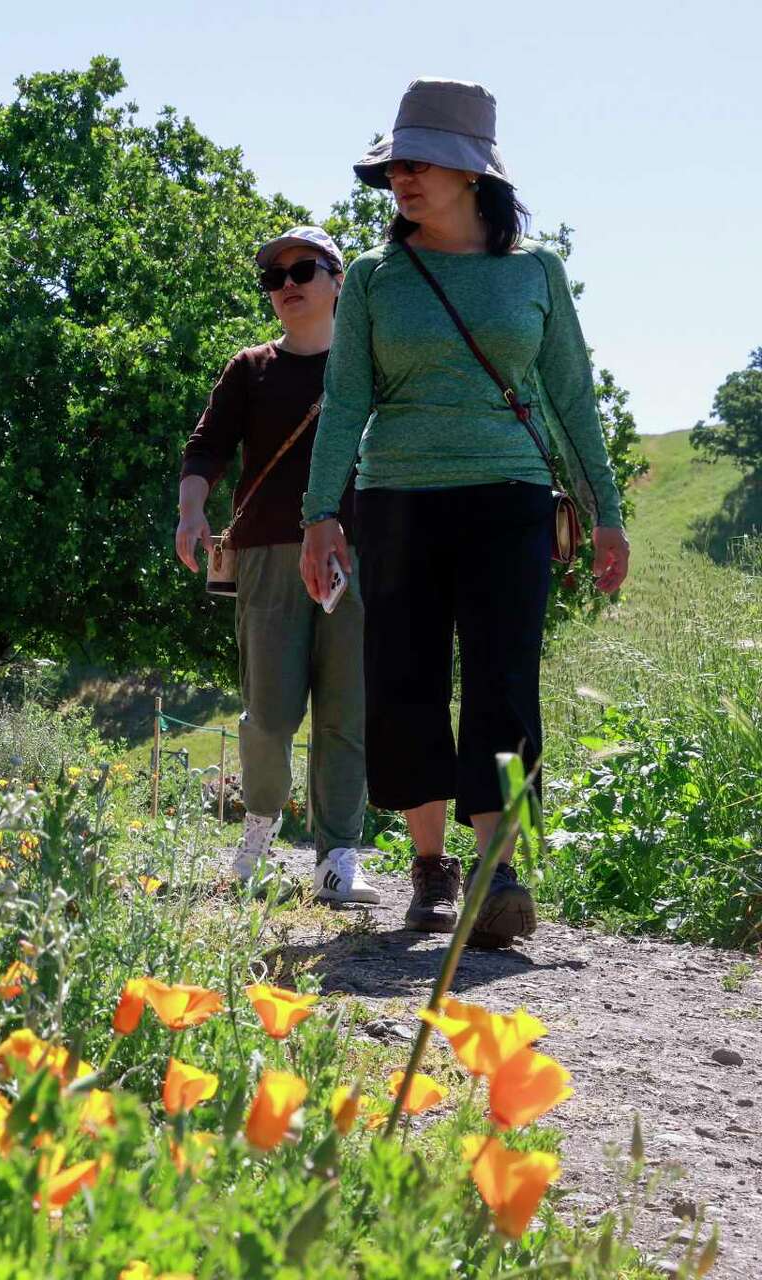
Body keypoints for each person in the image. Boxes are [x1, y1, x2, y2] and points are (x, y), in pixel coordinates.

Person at [300, 78, 630, 947]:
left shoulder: (536, 274)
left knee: (503, 683)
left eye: (419, 163)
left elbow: (571, 397)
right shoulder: (372, 279)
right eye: (395, 165)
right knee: (405, 678)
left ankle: (496, 871)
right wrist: (319, 515)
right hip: (396, 496)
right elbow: (343, 402)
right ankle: (430, 868)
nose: (400, 178)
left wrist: (606, 510)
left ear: (472, 174)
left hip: (512, 498)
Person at [177, 225, 376, 904]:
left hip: (359, 556)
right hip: (267, 556)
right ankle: (258, 834)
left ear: (338, 280)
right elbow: (205, 447)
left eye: (303, 269)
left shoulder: (372, 367)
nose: (287, 283)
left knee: (347, 712)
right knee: (268, 713)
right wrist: (190, 510)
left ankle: (337, 860)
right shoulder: (250, 368)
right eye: (274, 276)